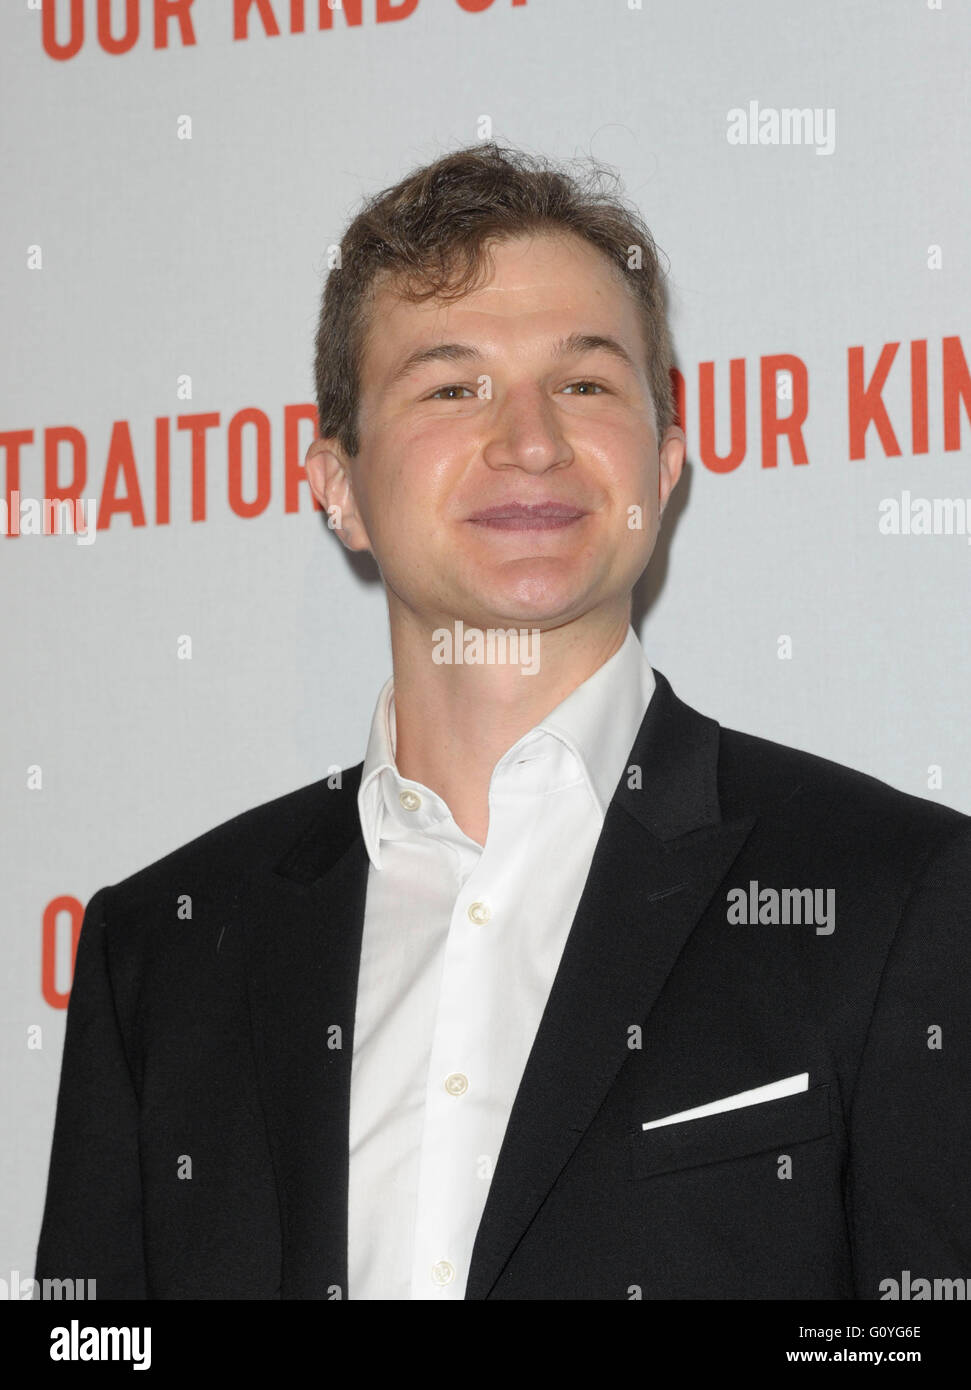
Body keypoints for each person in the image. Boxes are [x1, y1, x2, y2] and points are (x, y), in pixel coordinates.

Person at [36, 143, 971, 1300]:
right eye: (451, 385)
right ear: (336, 485)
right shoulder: (161, 953)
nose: (529, 440)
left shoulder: (896, 894)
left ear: (665, 461)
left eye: (583, 384)